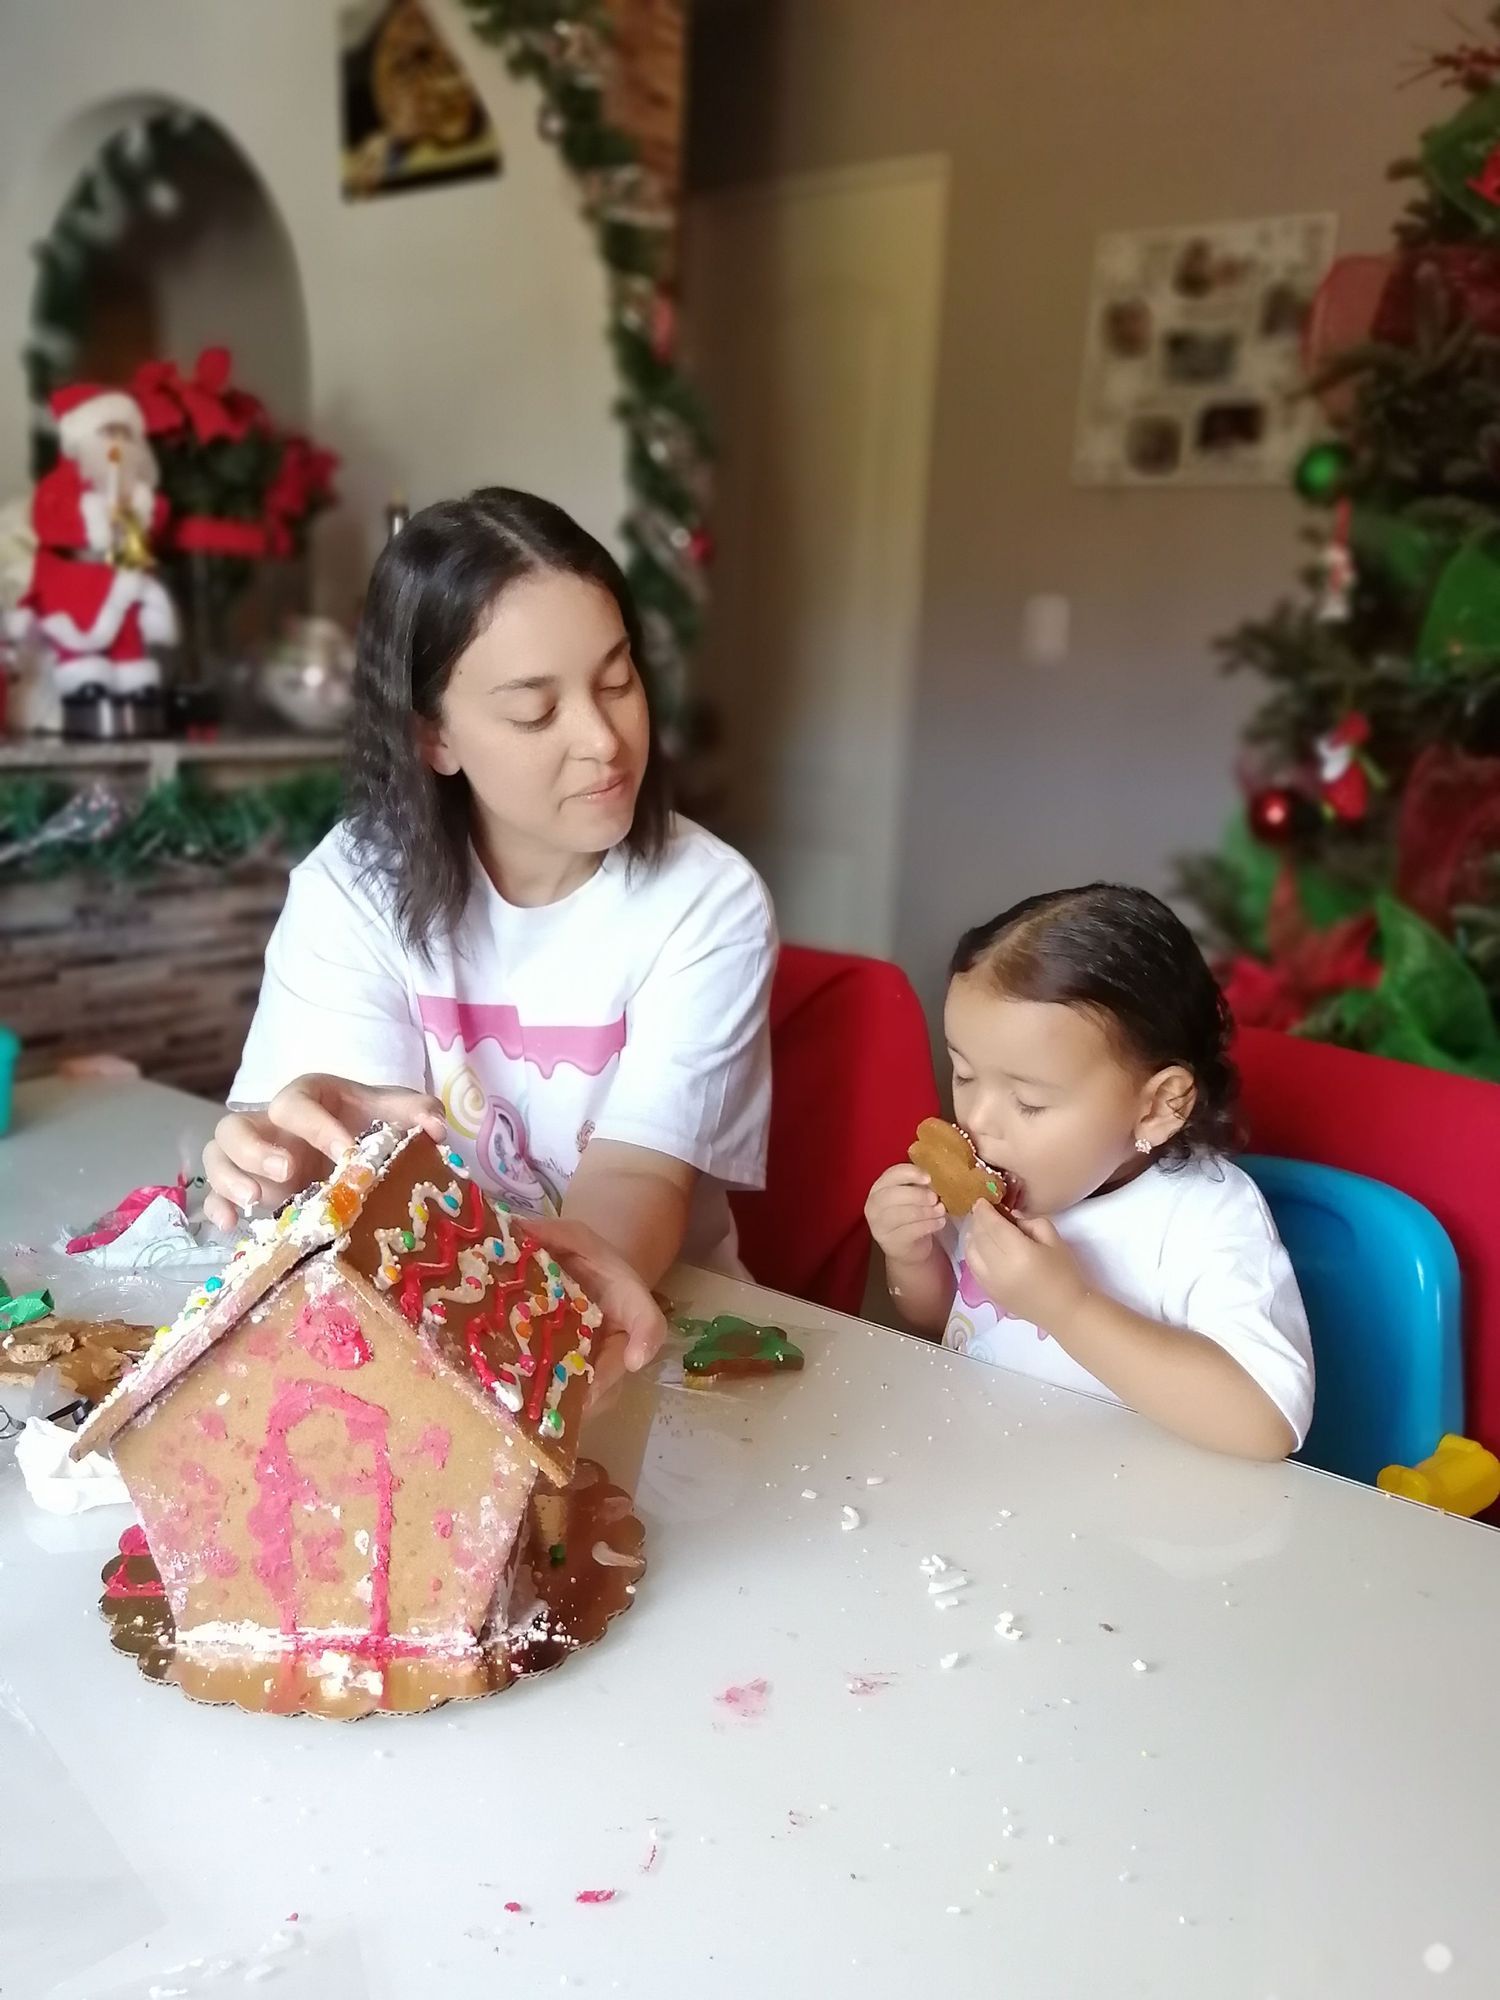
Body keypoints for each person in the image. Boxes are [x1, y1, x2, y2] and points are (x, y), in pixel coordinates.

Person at [203, 488, 777, 1394]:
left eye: (618, 680)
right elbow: (346, 1166)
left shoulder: (705, 902)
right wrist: (286, 1162)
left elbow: (636, 1178)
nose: (604, 739)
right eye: (535, 711)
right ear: (433, 737)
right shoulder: (355, 887)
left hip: (641, 1342)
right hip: (422, 1347)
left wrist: (564, 1287)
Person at [864, 884, 1312, 1460]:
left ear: (1157, 1106)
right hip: (981, 1479)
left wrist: (1068, 1309)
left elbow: (1267, 1423)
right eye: (964, 1074)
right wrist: (912, 1256)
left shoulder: (1206, 1216)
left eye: (1029, 1101)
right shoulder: (997, 1185)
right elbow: (945, 1317)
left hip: (1133, 1528)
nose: (976, 1118)